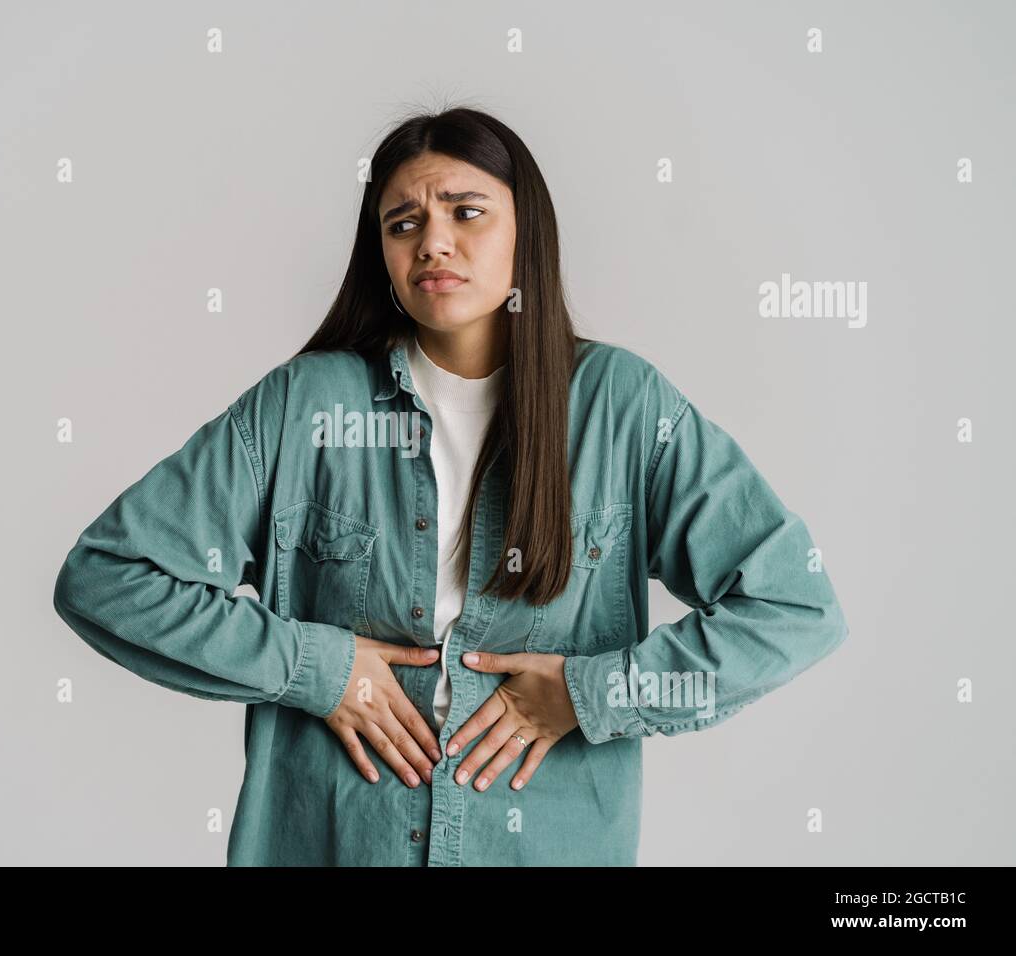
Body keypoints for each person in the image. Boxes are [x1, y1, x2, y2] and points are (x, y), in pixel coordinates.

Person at [51, 106, 850, 866]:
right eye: (405, 224)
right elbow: (110, 575)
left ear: (524, 232)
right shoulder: (306, 405)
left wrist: (592, 693)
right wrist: (313, 668)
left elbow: (794, 606)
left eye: (466, 213)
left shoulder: (624, 406)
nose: (434, 241)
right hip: (334, 839)